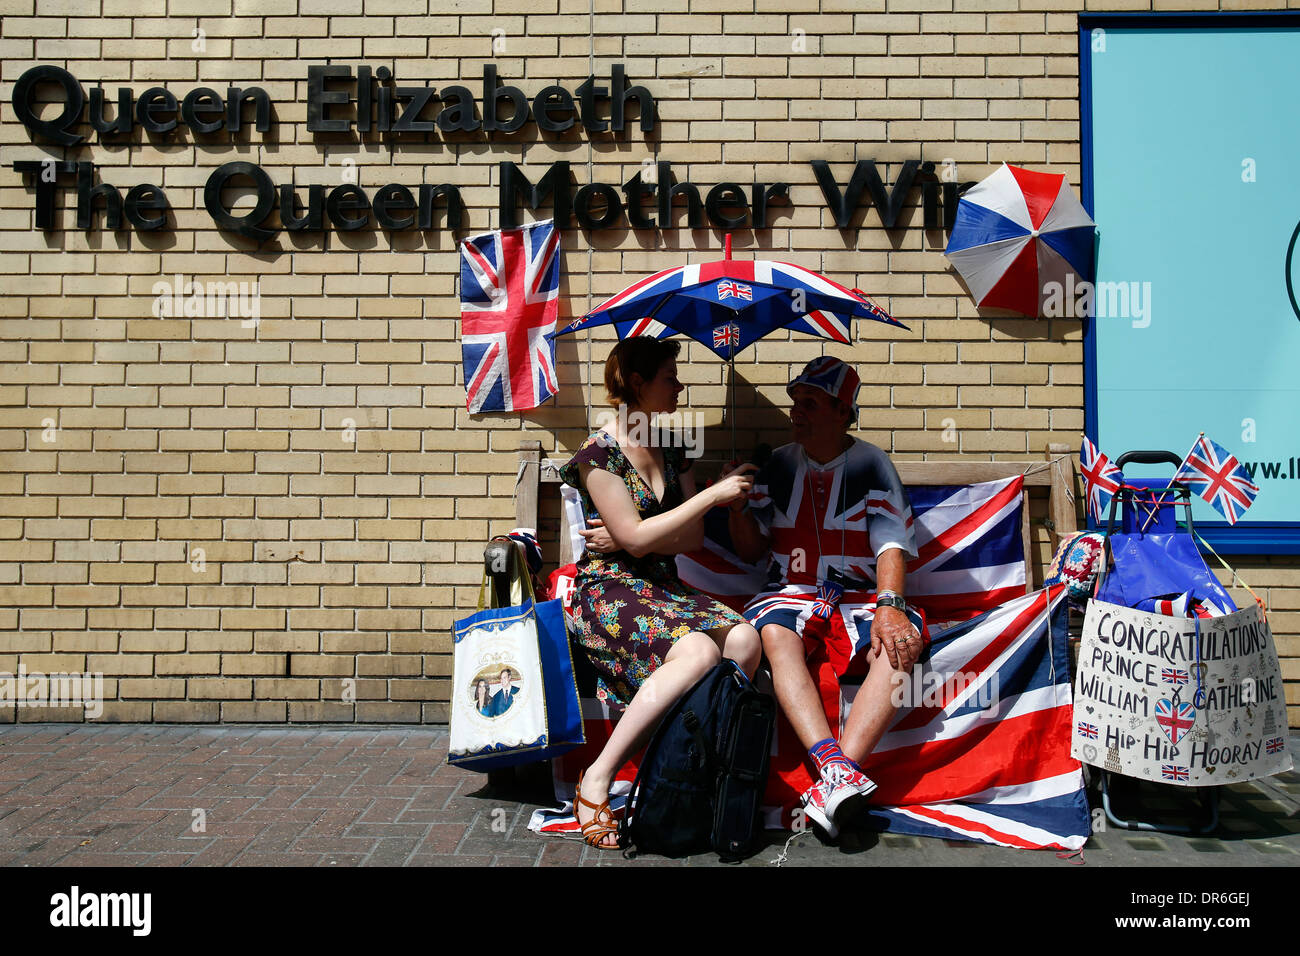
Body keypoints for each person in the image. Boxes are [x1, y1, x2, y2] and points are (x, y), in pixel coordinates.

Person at [557, 337, 761, 849]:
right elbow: (636, 541)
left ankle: (692, 774)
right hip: (607, 589)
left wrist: (639, 532)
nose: (680, 385)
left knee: (744, 640)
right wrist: (706, 499)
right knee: (697, 649)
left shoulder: (672, 448)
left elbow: (685, 539)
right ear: (637, 383)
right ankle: (597, 779)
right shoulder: (597, 454)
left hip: (662, 585)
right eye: (670, 376)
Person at [728, 356, 924, 838]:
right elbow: (753, 551)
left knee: (902, 642)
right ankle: (838, 776)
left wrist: (889, 607)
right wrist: (735, 510)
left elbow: (892, 547)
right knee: (774, 629)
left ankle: (836, 777)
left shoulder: (872, 464)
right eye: (795, 400)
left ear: (842, 411)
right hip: (787, 593)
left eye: (810, 402)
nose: (796, 411)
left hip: (857, 595)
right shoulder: (776, 463)